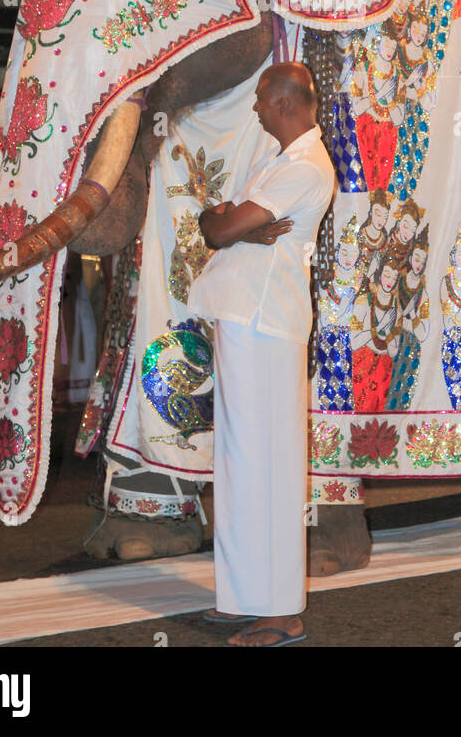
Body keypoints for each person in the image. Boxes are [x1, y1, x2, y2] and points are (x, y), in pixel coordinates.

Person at [188, 61, 335, 646]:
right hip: (245, 319)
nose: (252, 108)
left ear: (282, 102)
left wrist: (231, 226)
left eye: (257, 99)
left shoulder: (305, 165)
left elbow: (220, 230)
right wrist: (233, 225)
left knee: (268, 467)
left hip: (266, 324)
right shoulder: (275, 161)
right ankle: (243, 596)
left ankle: (280, 610)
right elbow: (212, 222)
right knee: (239, 464)